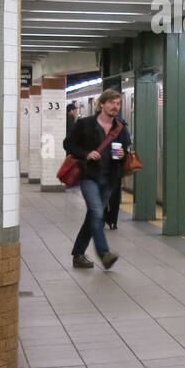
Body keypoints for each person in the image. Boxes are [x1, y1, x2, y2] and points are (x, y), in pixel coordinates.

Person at [65, 89, 131, 270]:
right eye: (111, 103)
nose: (115, 107)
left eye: (118, 104)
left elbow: (125, 151)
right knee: (96, 212)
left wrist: (122, 154)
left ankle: (78, 254)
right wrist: (86, 154)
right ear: (102, 104)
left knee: (93, 216)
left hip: (109, 179)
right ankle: (104, 253)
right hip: (89, 176)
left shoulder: (121, 127)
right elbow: (68, 144)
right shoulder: (85, 124)